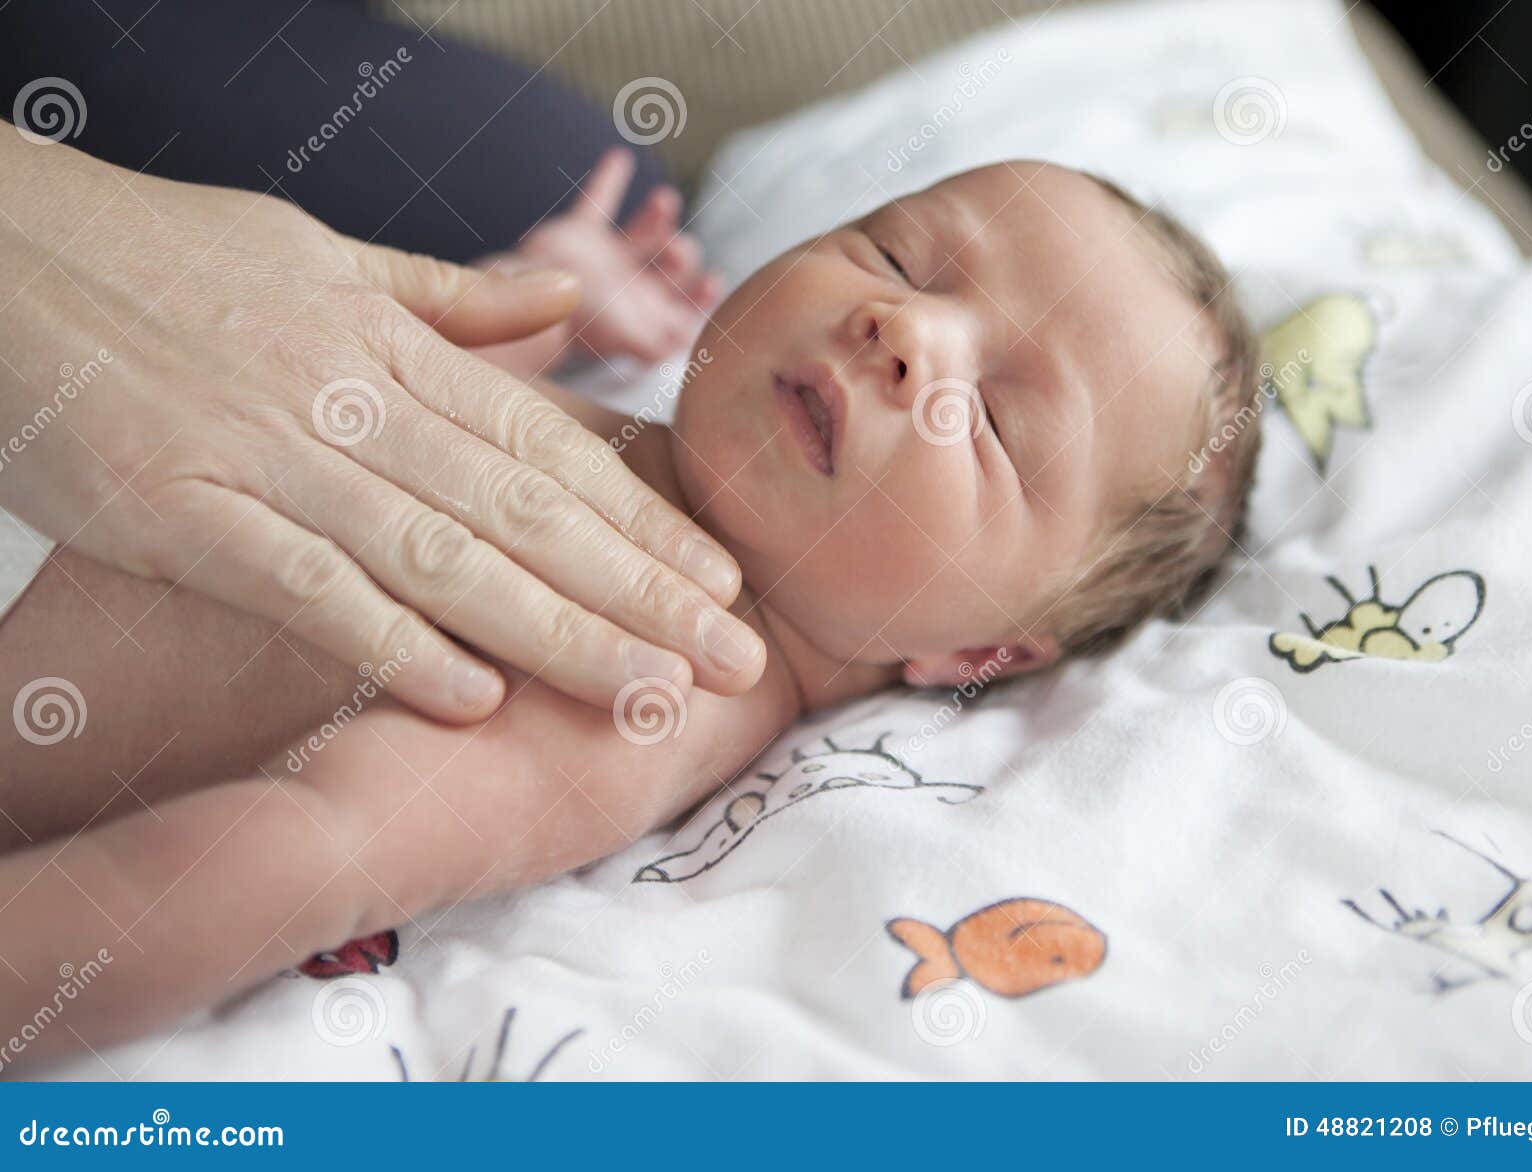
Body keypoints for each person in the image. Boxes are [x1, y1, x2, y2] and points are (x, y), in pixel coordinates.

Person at [0, 162, 1262, 1063]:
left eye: (995, 419)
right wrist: (536, 301)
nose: (907, 328)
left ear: (976, 651)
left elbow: (294, 855)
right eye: (894, 252)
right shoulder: (636, 454)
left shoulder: (669, 672)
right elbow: (366, 395)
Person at [0, 128, 764, 722]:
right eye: (883, 257)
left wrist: (531, 311)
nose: (886, 334)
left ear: (893, 659)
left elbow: (398, 373)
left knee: (568, 154)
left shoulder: (679, 700)